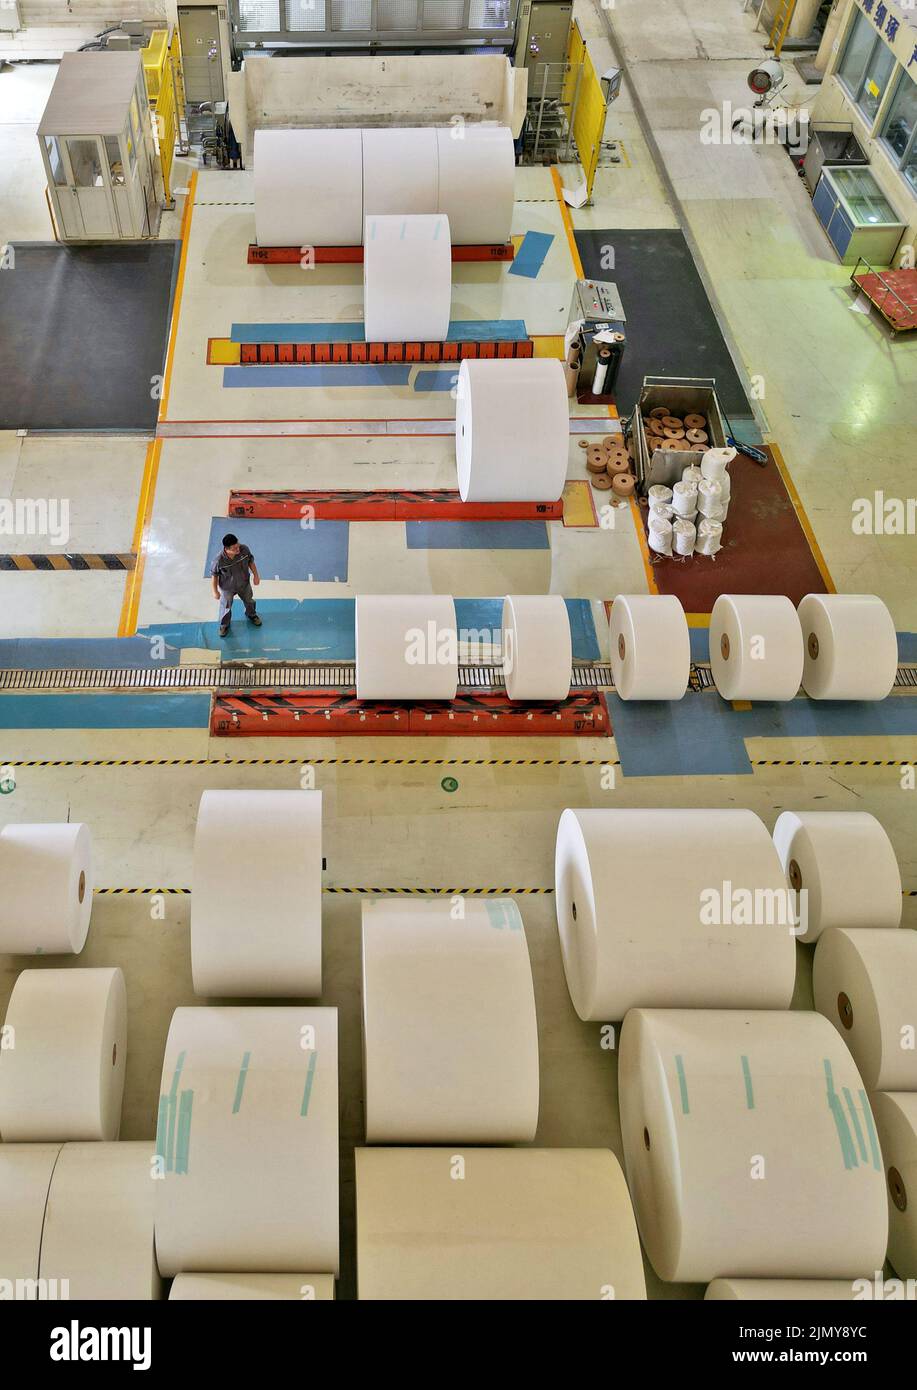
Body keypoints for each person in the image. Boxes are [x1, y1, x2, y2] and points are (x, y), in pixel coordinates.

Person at [211, 532, 262, 638]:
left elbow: (251, 562)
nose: (238, 549)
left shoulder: (244, 550)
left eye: (238, 545)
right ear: (226, 549)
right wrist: (215, 591)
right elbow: (214, 576)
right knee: (226, 607)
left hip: (244, 583)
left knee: (249, 600)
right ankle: (224, 625)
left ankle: (251, 615)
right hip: (227, 588)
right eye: (234, 548)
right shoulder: (218, 561)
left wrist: (256, 576)